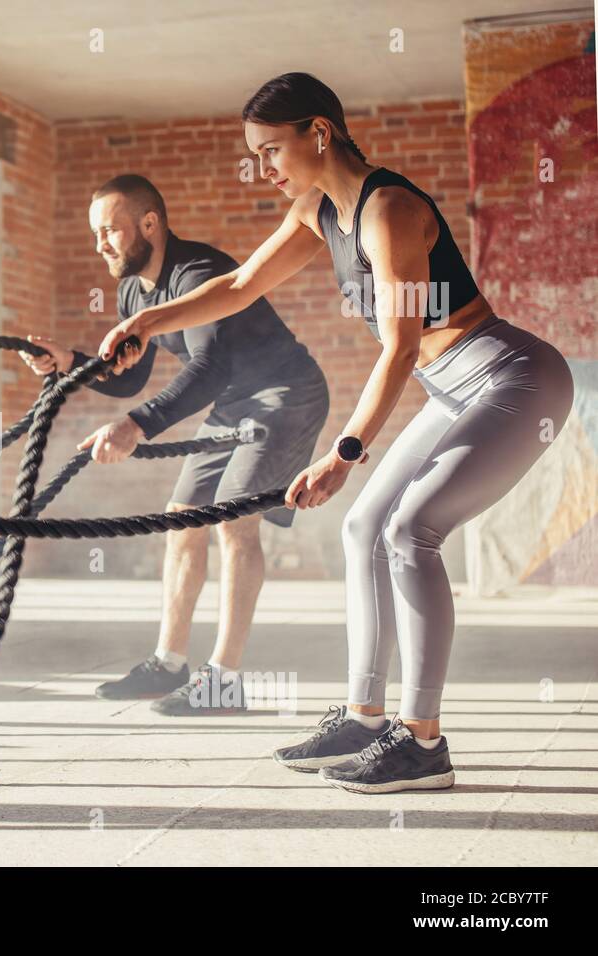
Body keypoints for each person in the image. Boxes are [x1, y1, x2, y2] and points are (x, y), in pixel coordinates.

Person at [97, 73, 574, 794]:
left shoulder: (389, 209)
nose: (261, 169)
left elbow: (401, 347)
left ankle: (422, 741)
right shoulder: (317, 209)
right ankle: (363, 715)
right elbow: (237, 287)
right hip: (452, 390)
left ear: (318, 133)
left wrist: (344, 451)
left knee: (412, 531)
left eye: (269, 151)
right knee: (364, 530)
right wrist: (143, 321)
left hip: (513, 377)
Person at [21, 173, 329, 716]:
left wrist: (135, 426)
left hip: (287, 394)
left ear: (149, 224)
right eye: (96, 234)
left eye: (110, 231)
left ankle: (224, 680)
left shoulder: (197, 272)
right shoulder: (132, 291)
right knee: (181, 521)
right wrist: (68, 364)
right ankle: (169, 663)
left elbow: (210, 368)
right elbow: (129, 380)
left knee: (235, 522)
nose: (101, 246)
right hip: (234, 404)